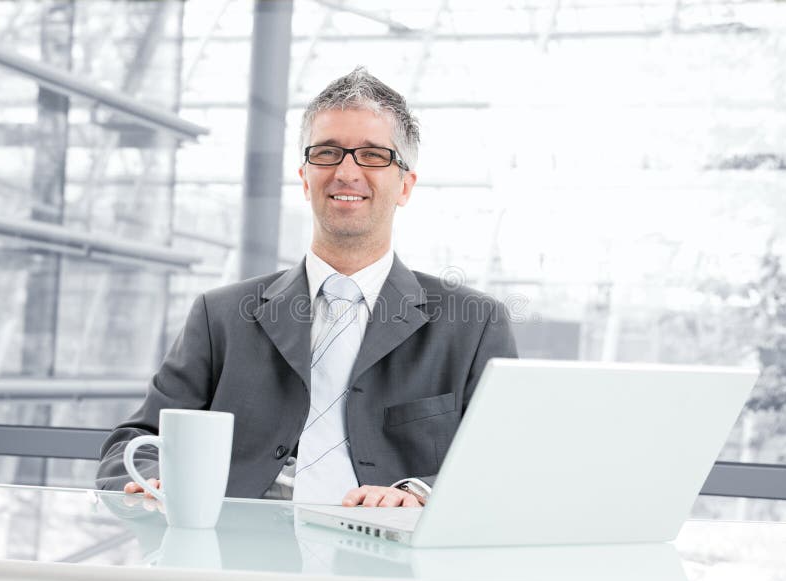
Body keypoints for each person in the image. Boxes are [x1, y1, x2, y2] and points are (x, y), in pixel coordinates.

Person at [96, 67, 518, 508]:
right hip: (234, 556)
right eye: (327, 153)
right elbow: (136, 441)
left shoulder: (473, 325)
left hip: (385, 562)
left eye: (373, 155)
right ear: (304, 178)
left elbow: (503, 463)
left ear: (405, 186)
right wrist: (155, 482)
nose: (346, 171)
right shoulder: (220, 315)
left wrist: (420, 495)